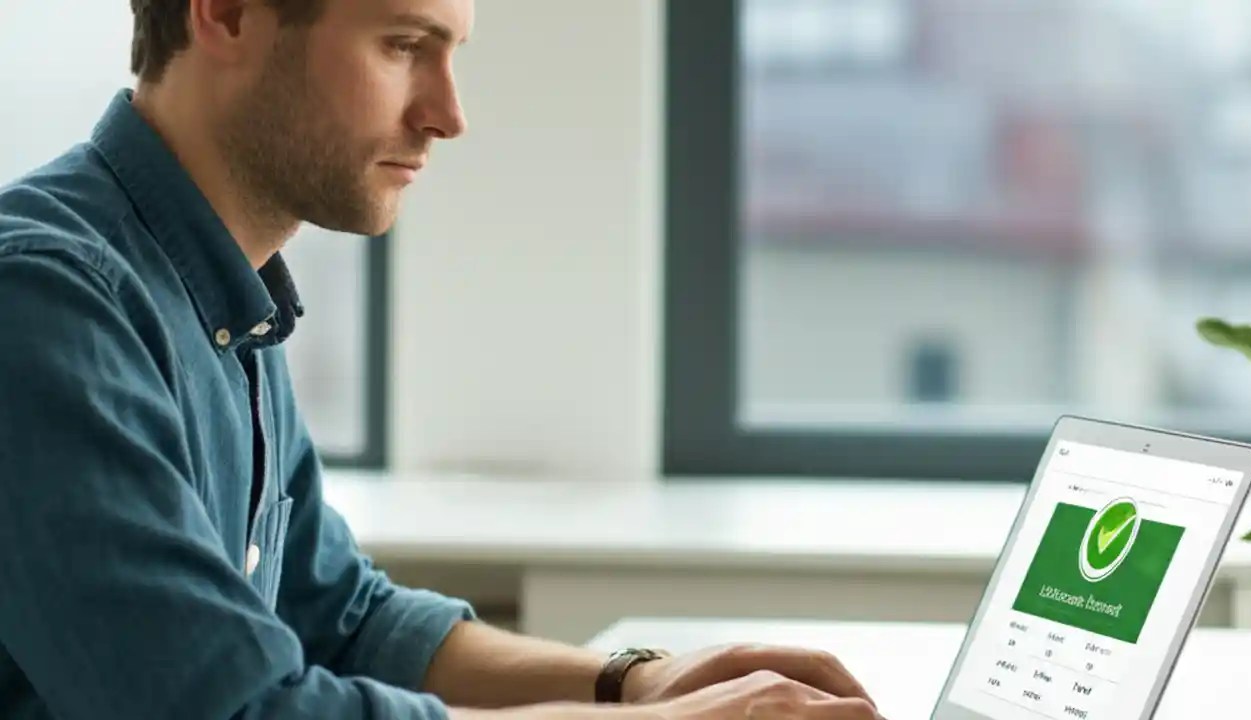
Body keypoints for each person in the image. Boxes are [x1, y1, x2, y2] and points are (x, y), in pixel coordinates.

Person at [0, 1, 884, 718]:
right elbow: (230, 712)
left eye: (450, 51)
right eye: (402, 45)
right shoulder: (44, 301)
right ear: (226, 14)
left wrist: (634, 680)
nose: (447, 115)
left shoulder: (223, 301)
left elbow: (344, 622)